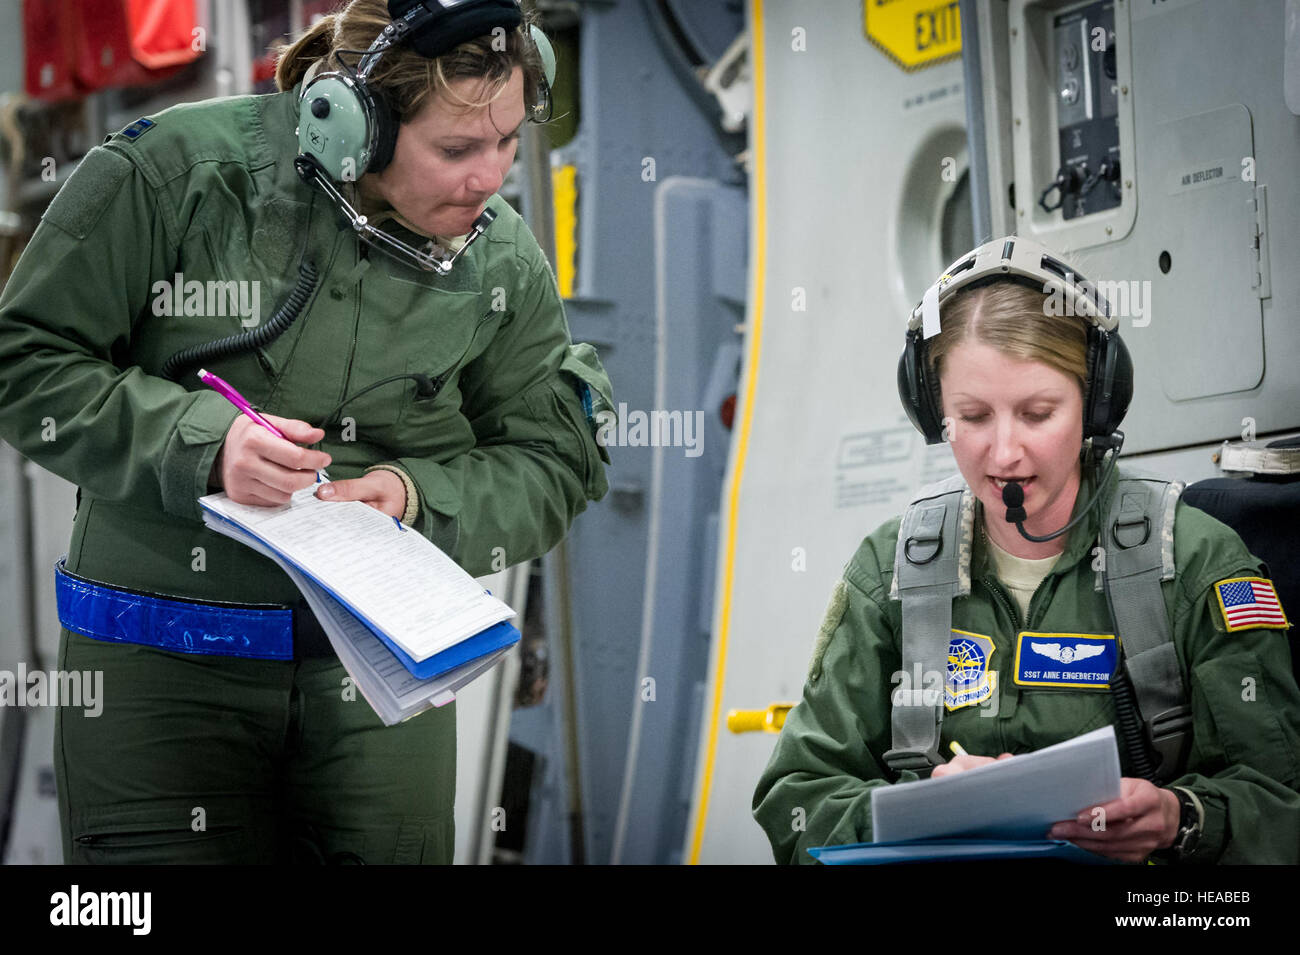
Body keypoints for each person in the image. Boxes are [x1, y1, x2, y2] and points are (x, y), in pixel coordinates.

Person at [0, 0, 612, 863]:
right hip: (158, 672)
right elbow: (24, 359)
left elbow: (556, 455)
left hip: (382, 684)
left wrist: (418, 497)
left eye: (508, 140)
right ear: (356, 123)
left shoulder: (498, 257)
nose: (491, 178)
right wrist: (200, 445)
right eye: (456, 149)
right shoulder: (175, 176)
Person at [753, 236, 1300, 865]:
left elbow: (1280, 802)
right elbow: (797, 797)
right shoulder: (891, 573)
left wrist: (1180, 819)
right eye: (973, 417)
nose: (1005, 453)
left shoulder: (1195, 562)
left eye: (1038, 413)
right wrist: (923, 811)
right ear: (934, 413)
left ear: (1096, 404)